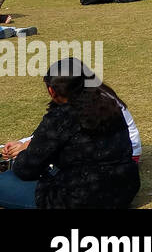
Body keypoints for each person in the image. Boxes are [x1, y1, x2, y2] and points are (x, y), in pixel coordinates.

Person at [0, 58, 140, 209]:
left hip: (79, 198)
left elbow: (26, 169)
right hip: (125, 189)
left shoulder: (60, 117)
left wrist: (22, 155)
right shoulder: (110, 105)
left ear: (51, 91)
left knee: (7, 180)